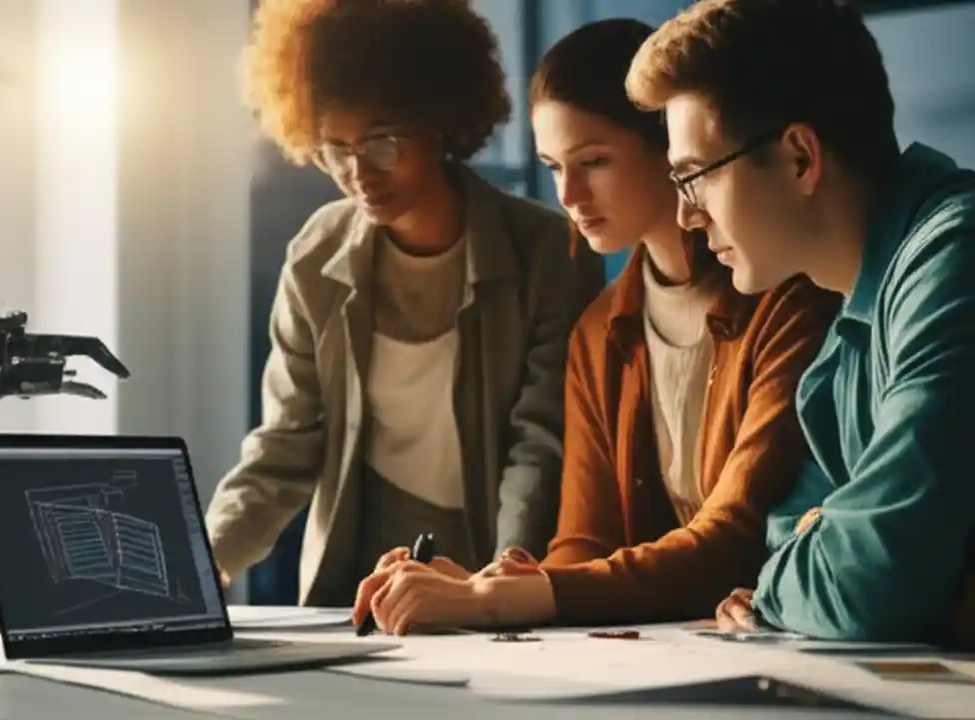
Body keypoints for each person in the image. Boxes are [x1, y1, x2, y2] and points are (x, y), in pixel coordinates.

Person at [350, 17, 839, 635]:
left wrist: (500, 597)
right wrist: (487, 584)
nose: (569, 194)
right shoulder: (600, 329)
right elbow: (584, 543)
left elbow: (733, 539)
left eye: (594, 161)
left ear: (669, 145)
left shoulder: (787, 298)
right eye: (554, 166)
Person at [203, 0, 604, 607]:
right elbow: (283, 448)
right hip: (356, 584)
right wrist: (195, 569)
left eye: (382, 144)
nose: (358, 172)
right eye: (335, 149)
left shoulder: (546, 250)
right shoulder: (317, 256)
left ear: (438, 122)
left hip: (488, 569)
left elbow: (541, 444)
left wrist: (498, 585)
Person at [625, 0, 975, 647]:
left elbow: (870, 580)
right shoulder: (843, 340)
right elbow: (787, 540)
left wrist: (823, 570)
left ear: (799, 159)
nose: (686, 217)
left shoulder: (954, 260)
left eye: (694, 178)